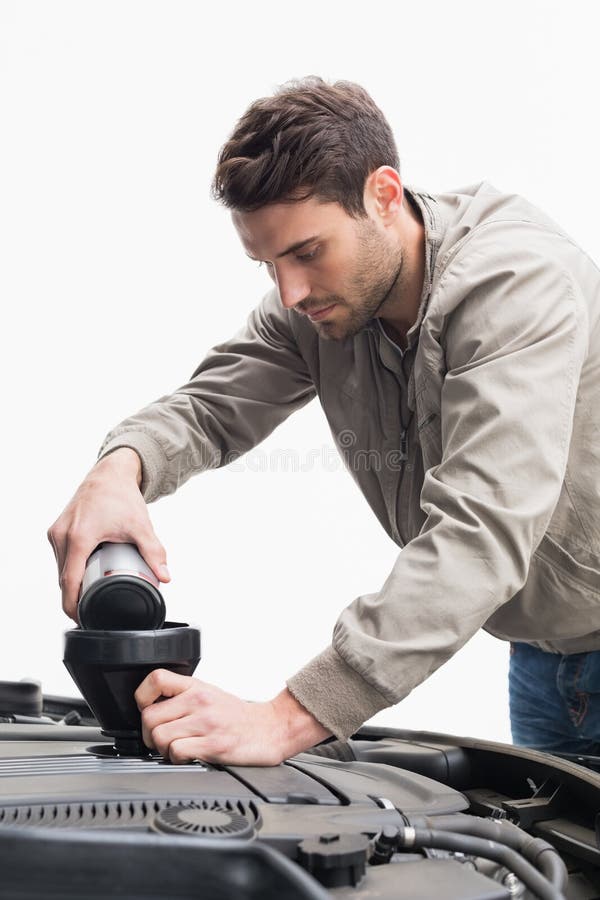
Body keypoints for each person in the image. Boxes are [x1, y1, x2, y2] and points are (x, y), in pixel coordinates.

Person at [48, 76, 600, 765]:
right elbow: (211, 406)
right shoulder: (321, 308)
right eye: (267, 263)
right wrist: (119, 470)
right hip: (543, 661)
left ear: (383, 195)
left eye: (307, 252)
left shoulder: (515, 285)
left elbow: (480, 531)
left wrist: (287, 719)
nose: (290, 292)